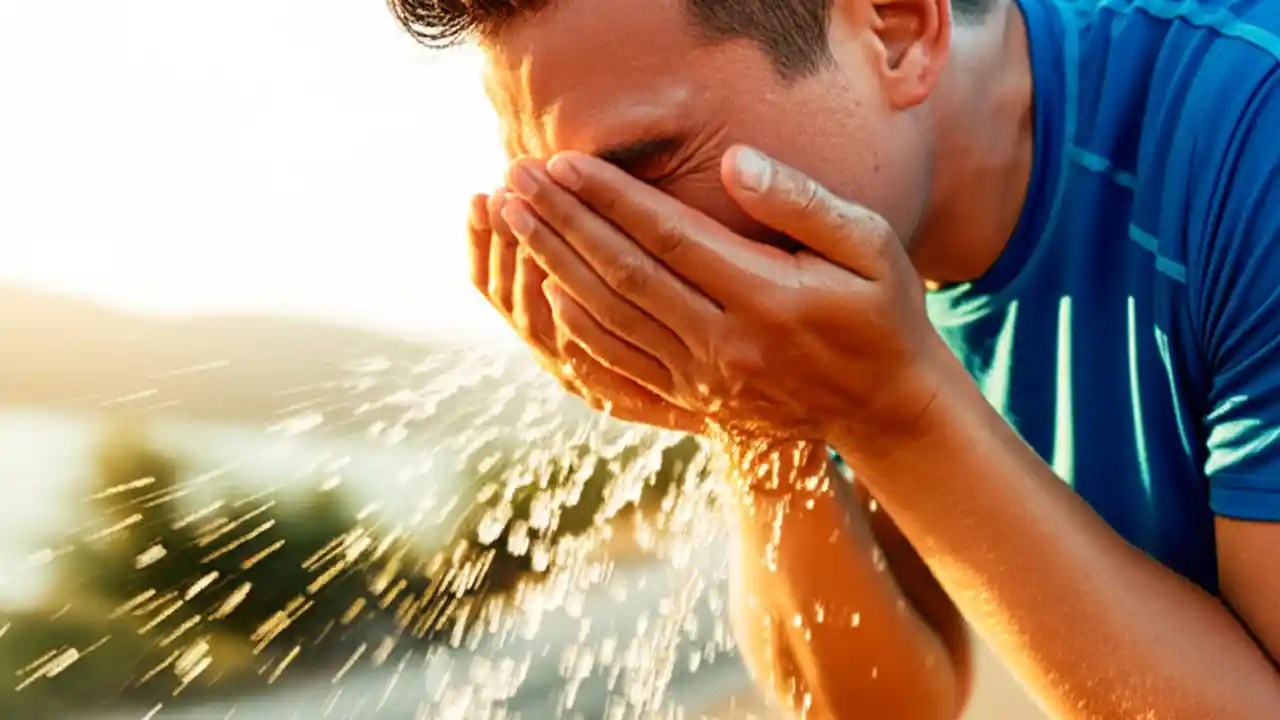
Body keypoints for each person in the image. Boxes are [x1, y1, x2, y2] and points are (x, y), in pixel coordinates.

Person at [391, 0, 1280, 716]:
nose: (609, 252)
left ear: (896, 30)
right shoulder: (853, 242)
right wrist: (751, 416)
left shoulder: (1250, 137)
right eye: (559, 200)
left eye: (648, 168)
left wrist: (901, 411)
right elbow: (887, 706)